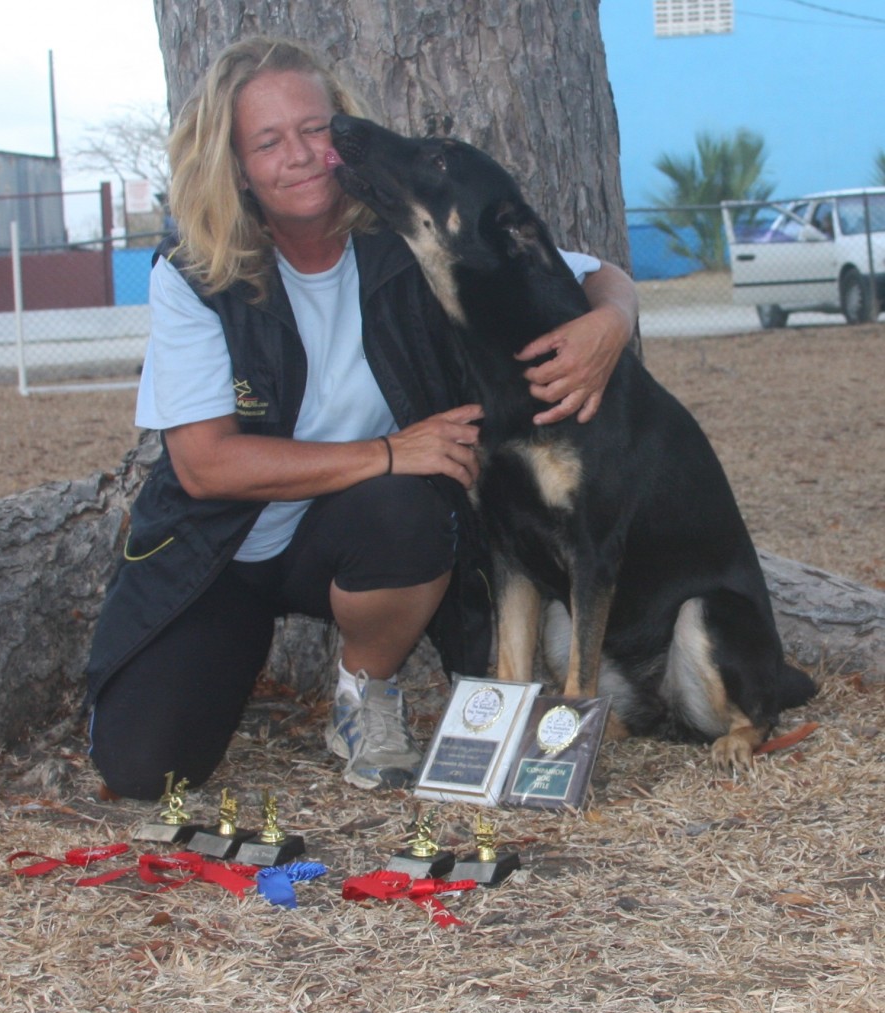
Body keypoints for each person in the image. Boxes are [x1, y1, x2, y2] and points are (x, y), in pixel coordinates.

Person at [85, 36, 639, 799]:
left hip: (363, 531)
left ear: (344, 129)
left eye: (315, 129)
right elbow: (205, 466)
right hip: (225, 549)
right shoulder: (195, 275)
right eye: (269, 142)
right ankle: (220, 653)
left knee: (410, 504)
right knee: (145, 769)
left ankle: (363, 686)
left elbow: (590, 274)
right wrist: (386, 451)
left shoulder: (407, 231)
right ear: (235, 165)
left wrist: (611, 323)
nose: (302, 157)